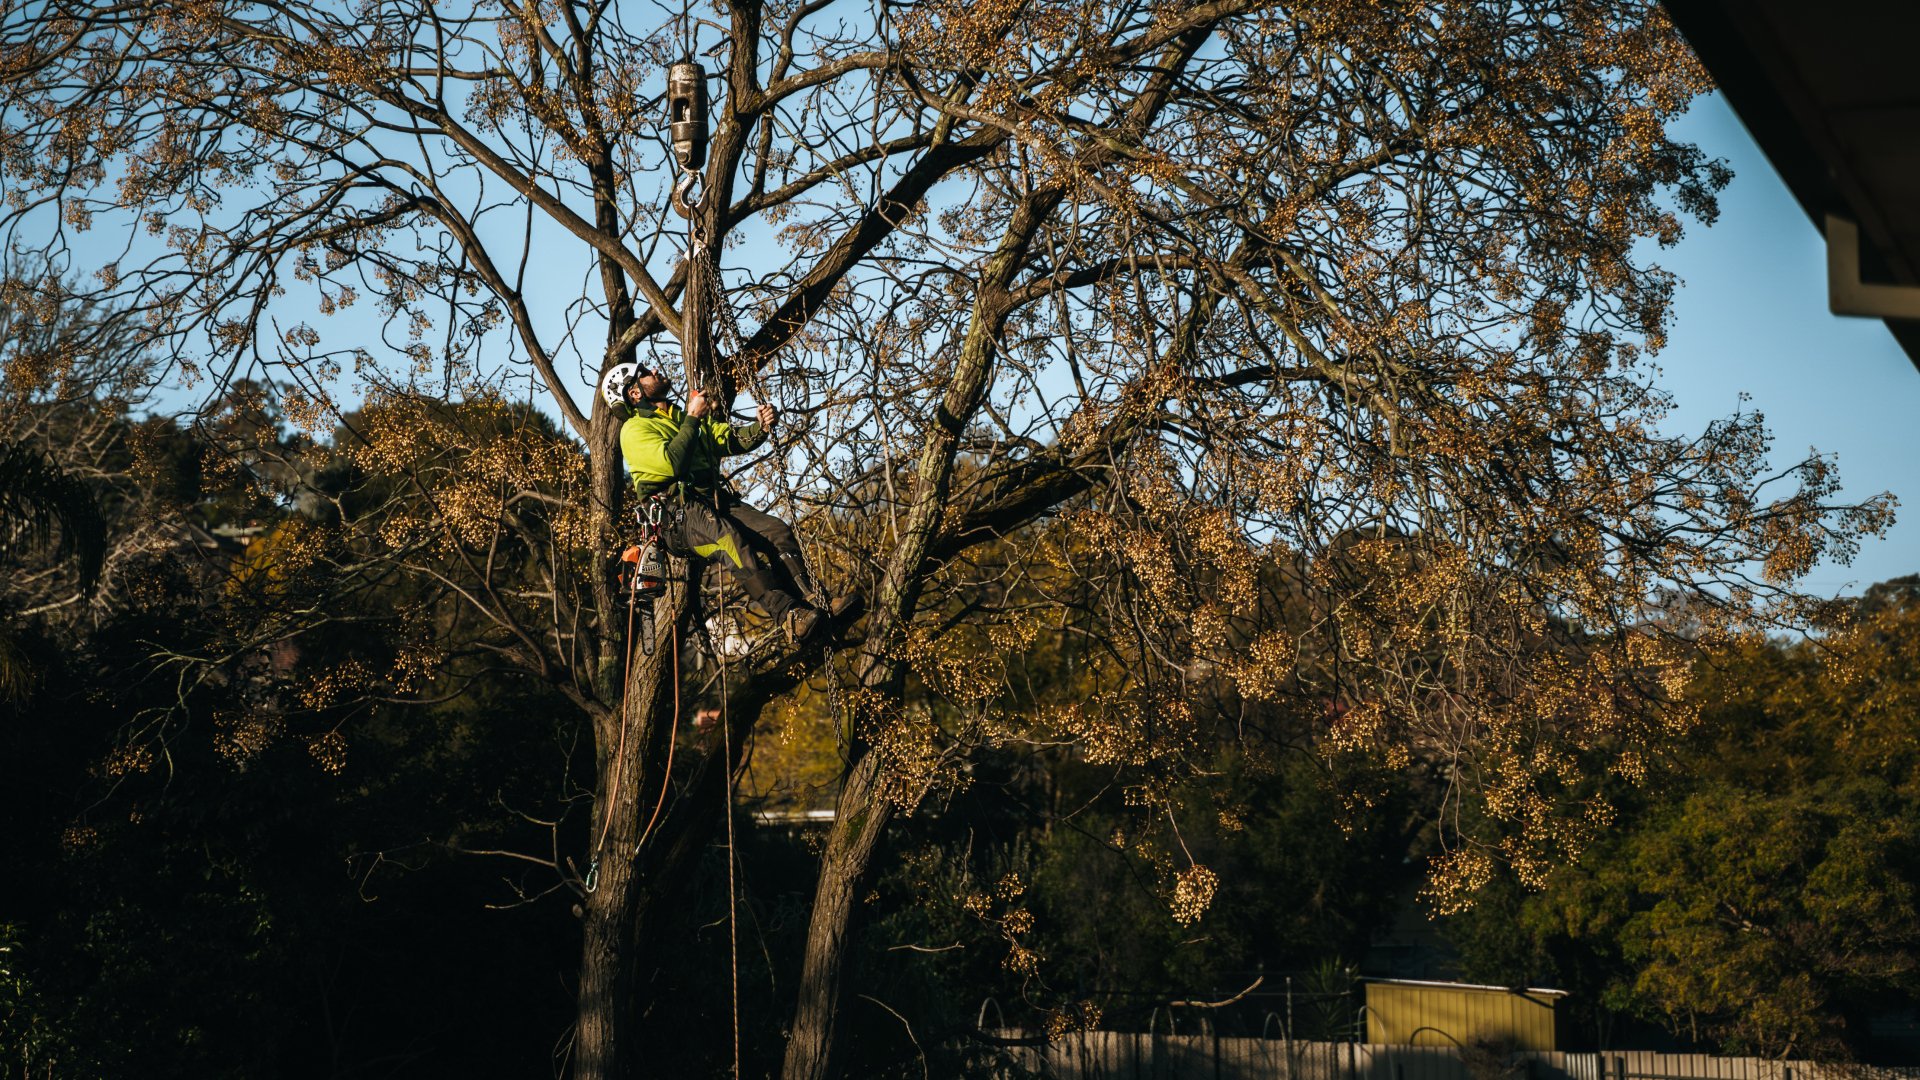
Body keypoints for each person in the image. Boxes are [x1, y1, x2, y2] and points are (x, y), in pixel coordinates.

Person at [603, 361, 850, 643]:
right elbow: (672, 464)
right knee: (728, 540)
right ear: (634, 393)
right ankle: (789, 616)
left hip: (711, 500)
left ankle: (815, 602)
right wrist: (693, 419)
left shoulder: (679, 417)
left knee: (776, 531)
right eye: (646, 374)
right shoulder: (635, 429)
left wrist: (759, 426)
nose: (656, 372)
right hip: (677, 515)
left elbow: (726, 439)